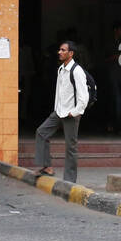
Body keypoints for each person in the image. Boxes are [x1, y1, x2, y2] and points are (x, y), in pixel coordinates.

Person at [35, 40, 89, 183]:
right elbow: (59, 92)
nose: (59, 52)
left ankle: (70, 181)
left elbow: (84, 97)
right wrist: (56, 109)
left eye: (63, 50)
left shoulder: (77, 71)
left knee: (70, 147)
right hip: (59, 111)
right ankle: (47, 167)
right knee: (41, 132)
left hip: (71, 114)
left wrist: (75, 112)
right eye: (60, 49)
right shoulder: (60, 69)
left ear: (71, 53)